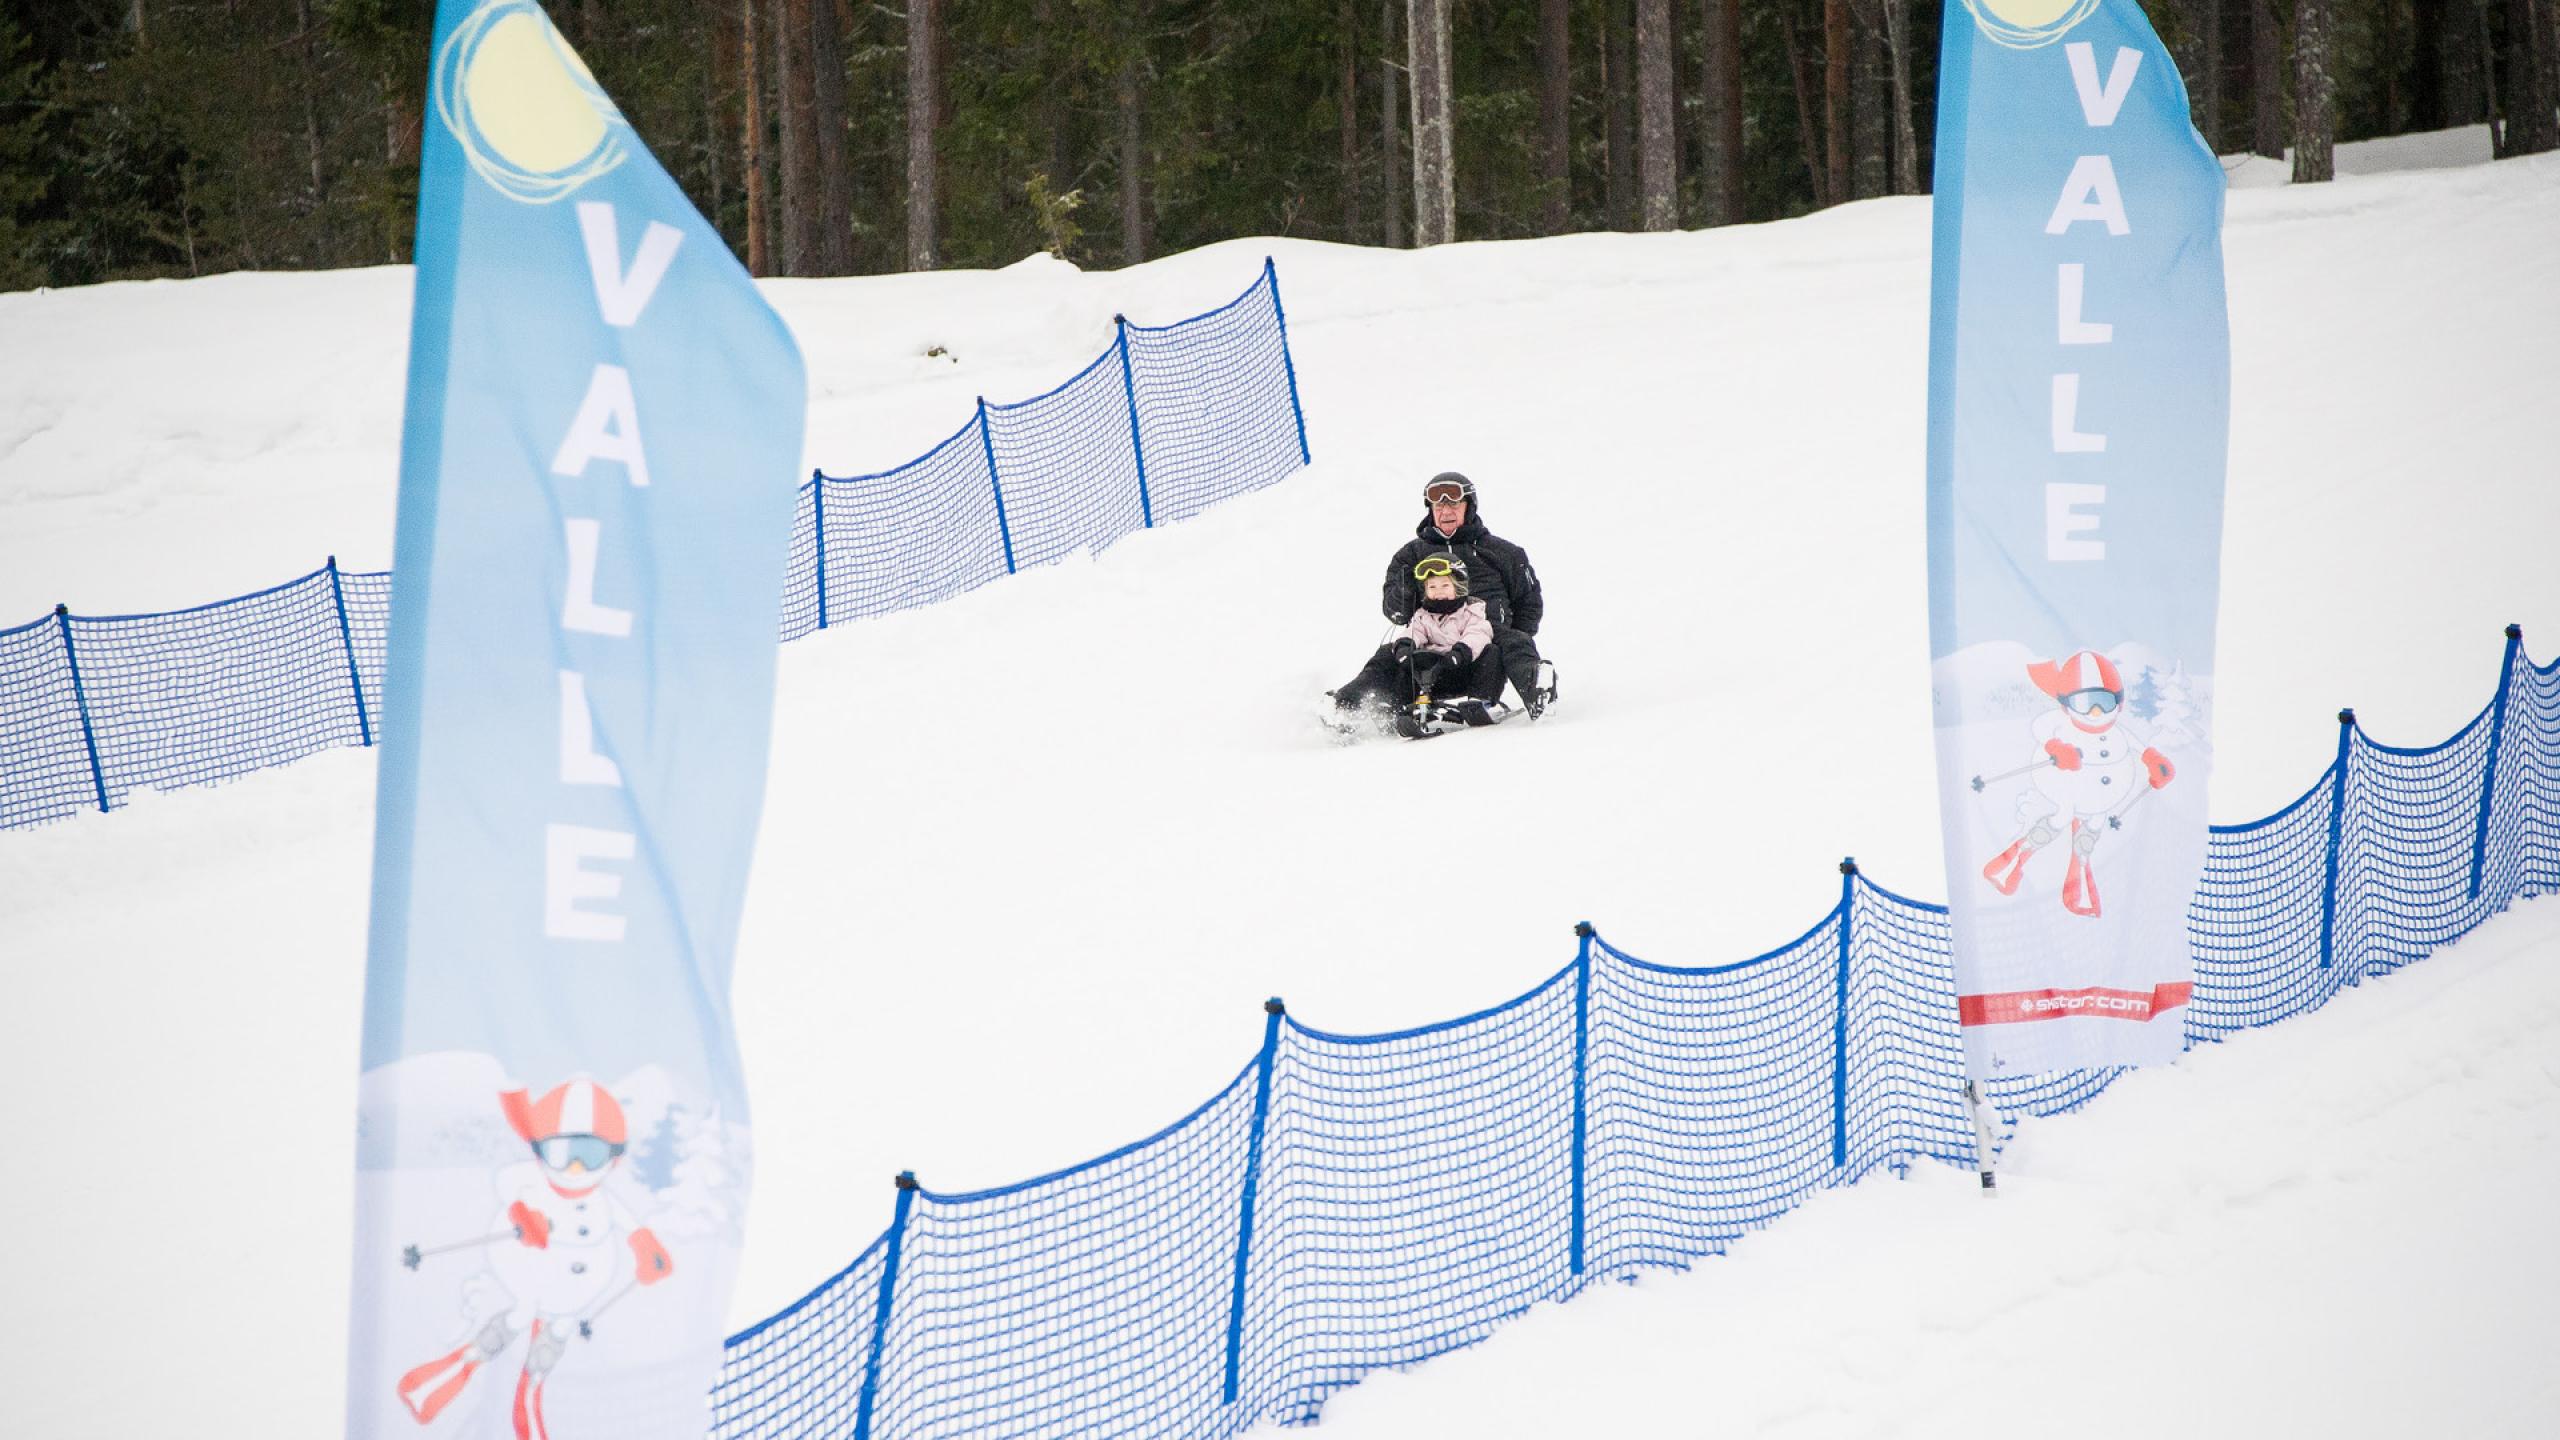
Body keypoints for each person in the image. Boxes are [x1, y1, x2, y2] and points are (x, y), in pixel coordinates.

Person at [1383, 472, 1551, 716]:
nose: (1446, 511)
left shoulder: (1503, 553)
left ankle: (1538, 691)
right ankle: (1352, 707)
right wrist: (1404, 593)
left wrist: (1511, 635)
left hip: (1486, 644)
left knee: (1514, 641)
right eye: (1438, 505)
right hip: (1433, 646)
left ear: (1469, 506)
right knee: (1388, 654)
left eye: (1453, 503)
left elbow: (1529, 602)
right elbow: (1396, 613)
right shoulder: (1410, 556)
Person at [1332, 555, 1504, 716]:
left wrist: (1460, 653)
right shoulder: (1423, 615)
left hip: (1460, 670)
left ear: (1458, 587)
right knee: (1387, 652)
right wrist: (1404, 646)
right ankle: (1349, 699)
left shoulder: (1473, 613)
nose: (1439, 592)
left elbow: (1477, 635)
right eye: (1432, 587)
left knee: (1492, 651)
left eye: (1445, 586)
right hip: (1427, 678)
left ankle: (1482, 701)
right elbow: (1415, 632)